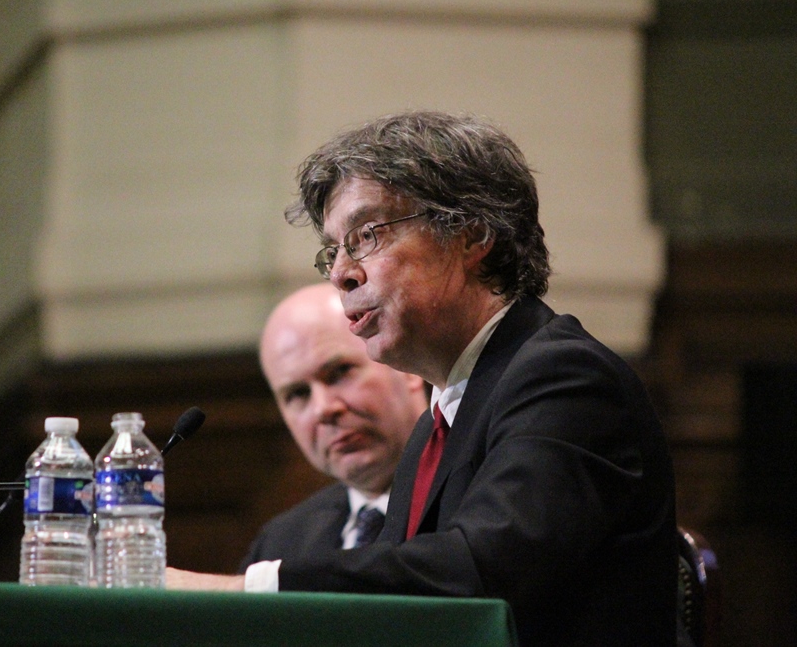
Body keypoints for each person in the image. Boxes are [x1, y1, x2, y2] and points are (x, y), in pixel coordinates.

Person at [168, 111, 677, 647]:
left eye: (366, 235)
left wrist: (245, 590)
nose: (341, 273)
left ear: (472, 234)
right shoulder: (439, 421)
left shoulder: (564, 377)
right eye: (334, 251)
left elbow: (480, 570)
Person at [239, 283, 427, 568]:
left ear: (408, 366)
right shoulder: (280, 544)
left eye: (340, 373)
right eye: (298, 394)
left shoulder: (476, 498)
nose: (323, 408)